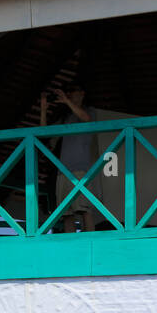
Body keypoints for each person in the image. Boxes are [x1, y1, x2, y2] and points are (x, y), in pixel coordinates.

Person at [40, 85, 100, 232]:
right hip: (63, 171)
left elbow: (86, 119)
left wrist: (66, 101)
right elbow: (43, 133)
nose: (69, 94)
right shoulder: (66, 118)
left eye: (72, 91)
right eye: (68, 92)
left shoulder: (90, 110)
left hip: (81, 169)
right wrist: (43, 109)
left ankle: (90, 243)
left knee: (85, 209)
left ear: (82, 93)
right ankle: (72, 247)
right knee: (67, 213)